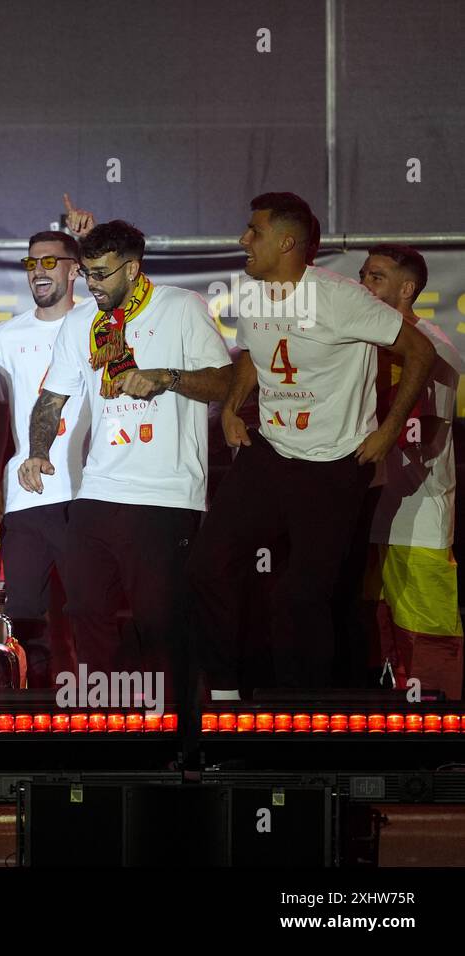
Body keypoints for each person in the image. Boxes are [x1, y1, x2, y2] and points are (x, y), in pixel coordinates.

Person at [189, 193, 435, 697]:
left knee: (300, 597)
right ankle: (223, 694)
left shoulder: (341, 298)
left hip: (333, 464)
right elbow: (252, 358)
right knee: (207, 564)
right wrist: (235, 406)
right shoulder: (254, 295)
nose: (243, 240)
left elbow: (420, 351)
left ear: (287, 242)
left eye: (253, 231)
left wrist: (388, 431)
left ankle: (308, 716)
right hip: (271, 453)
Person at [21, 220, 232, 706]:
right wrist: (37, 452)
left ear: (133, 269)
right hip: (97, 491)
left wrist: (168, 377)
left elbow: (225, 383)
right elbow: (53, 396)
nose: (91, 284)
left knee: (161, 620)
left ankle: (176, 733)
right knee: (86, 610)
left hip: (166, 493)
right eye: (88, 273)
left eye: (100, 274)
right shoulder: (80, 323)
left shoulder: (181, 307)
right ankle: (106, 724)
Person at [0, 216, 94, 686]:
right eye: (32, 262)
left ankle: (104, 721)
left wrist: (91, 240)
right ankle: (33, 722)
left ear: (75, 270)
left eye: (51, 261)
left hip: (87, 493)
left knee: (92, 614)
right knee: (24, 619)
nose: (39, 270)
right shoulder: (6, 337)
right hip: (26, 499)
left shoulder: (97, 322)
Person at [358, 244, 463, 697]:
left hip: (418, 512)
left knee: (428, 630)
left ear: (408, 289)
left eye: (376, 277)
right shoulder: (368, 341)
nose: (363, 285)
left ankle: (440, 744)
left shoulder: (433, 347)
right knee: (381, 628)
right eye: (362, 275)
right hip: (373, 509)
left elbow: (428, 430)